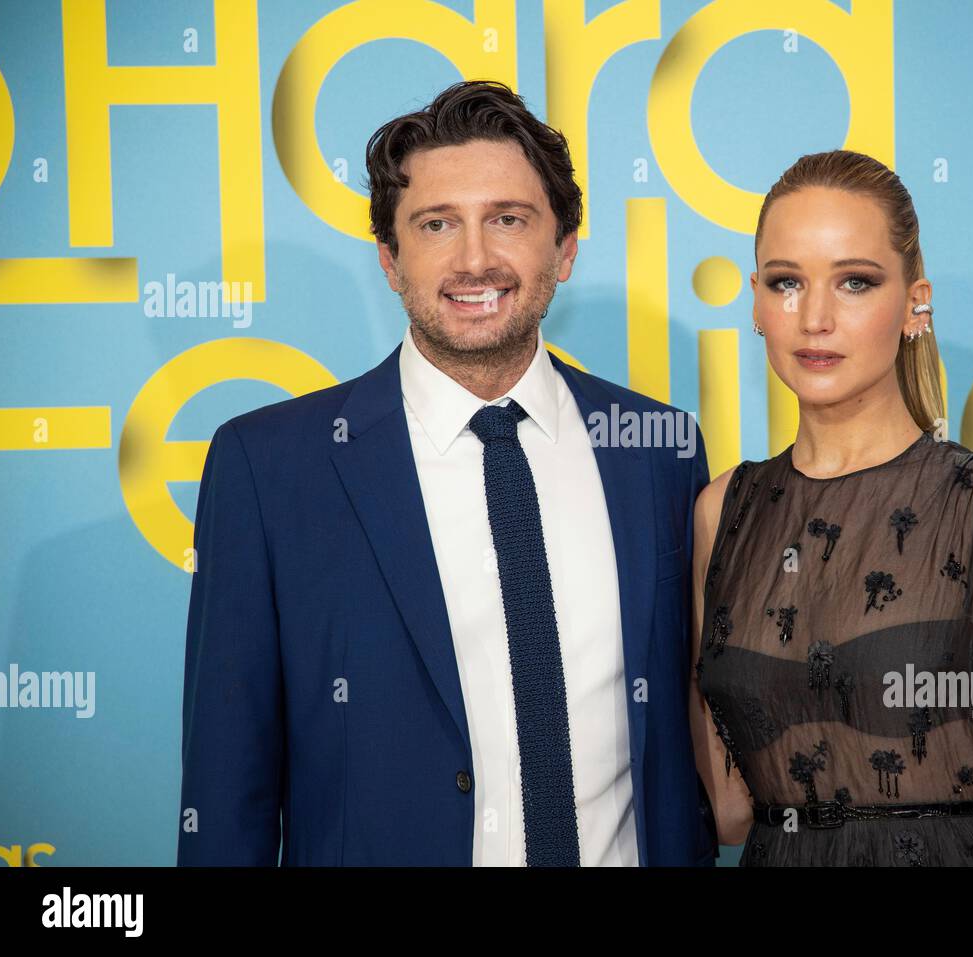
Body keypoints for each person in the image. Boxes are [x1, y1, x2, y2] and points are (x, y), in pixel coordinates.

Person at [178, 80, 714, 866]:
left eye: (508, 219)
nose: (474, 259)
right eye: (436, 224)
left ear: (565, 248)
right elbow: (228, 793)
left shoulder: (658, 450)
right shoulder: (269, 468)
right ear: (390, 260)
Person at [689, 150, 973, 867]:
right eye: (786, 282)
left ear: (914, 303)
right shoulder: (723, 513)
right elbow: (728, 812)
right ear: (755, 301)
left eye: (855, 281)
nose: (815, 318)